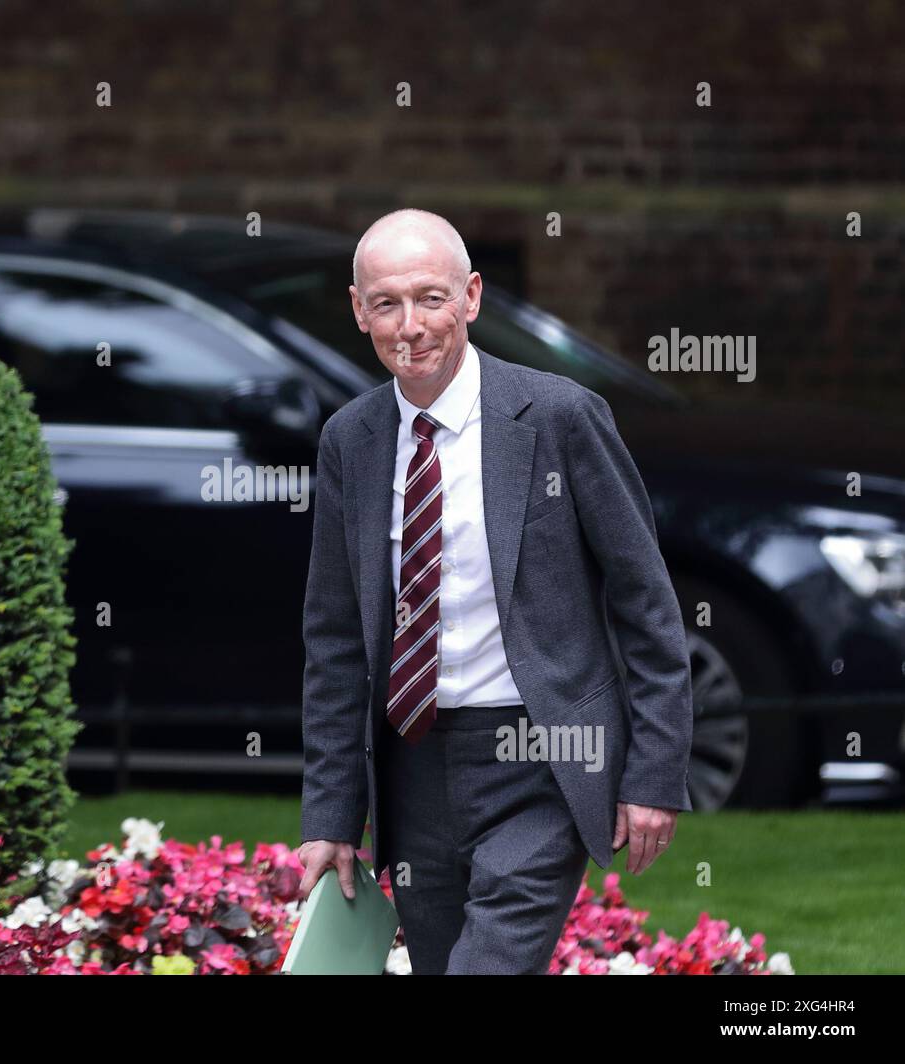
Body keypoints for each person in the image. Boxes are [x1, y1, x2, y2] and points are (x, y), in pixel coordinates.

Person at [296, 209, 694, 974]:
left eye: (432, 298)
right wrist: (332, 815)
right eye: (386, 304)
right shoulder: (351, 439)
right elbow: (335, 639)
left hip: (539, 758)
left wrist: (653, 772)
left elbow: (645, 601)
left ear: (472, 297)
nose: (410, 327)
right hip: (412, 770)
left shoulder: (561, 417)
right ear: (358, 310)